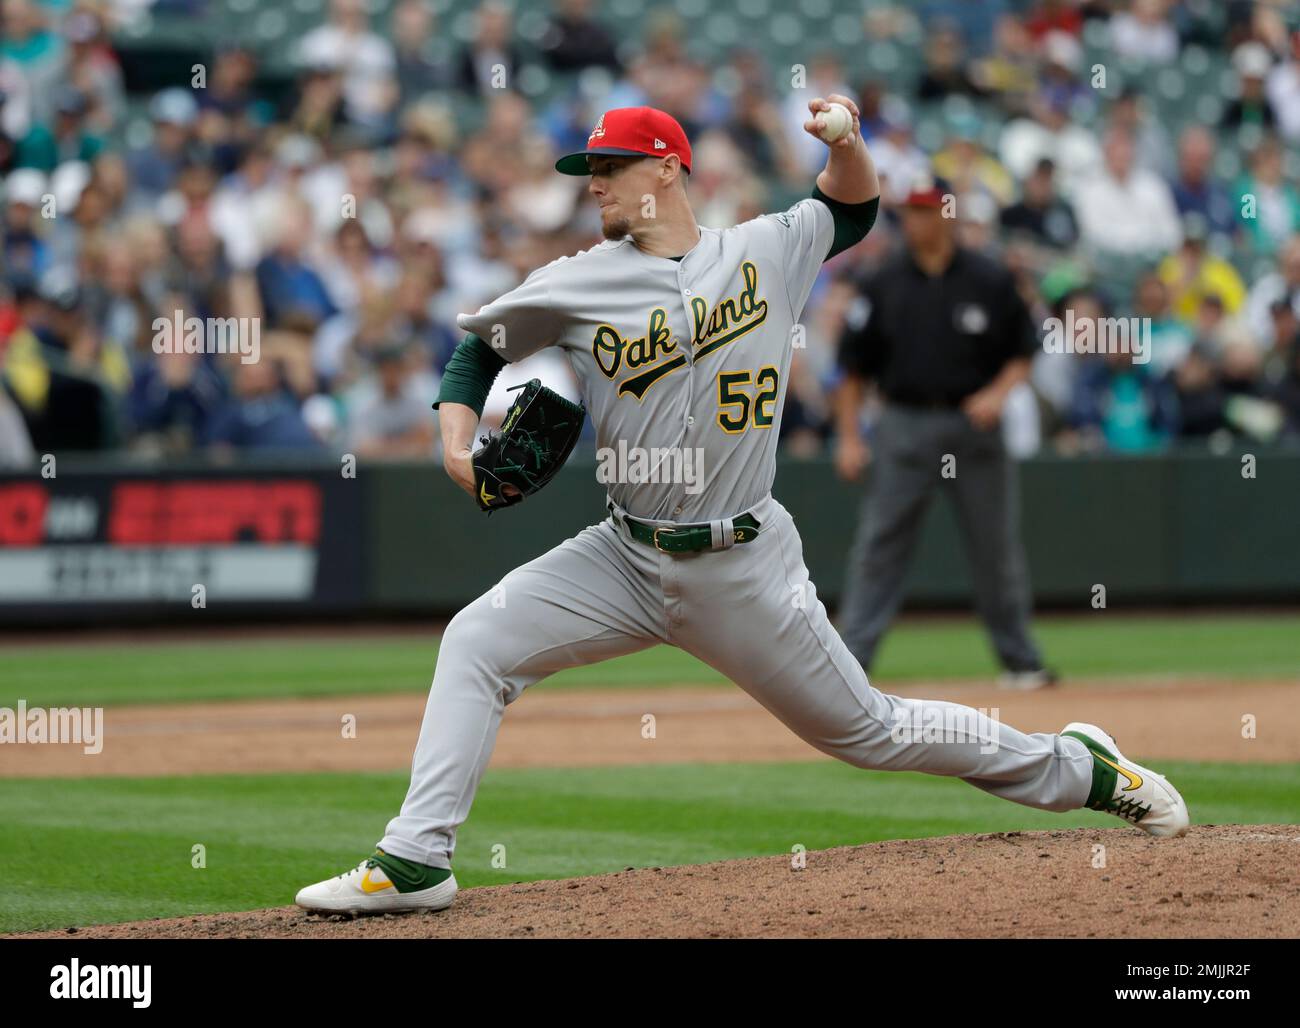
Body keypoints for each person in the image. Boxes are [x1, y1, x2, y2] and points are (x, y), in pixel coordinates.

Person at [294, 103, 1189, 916]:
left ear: (667, 169)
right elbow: (473, 356)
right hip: (623, 554)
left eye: (609, 165)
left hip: (743, 561)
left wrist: (845, 140)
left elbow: (852, 209)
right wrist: (456, 447)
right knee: (475, 641)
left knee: (869, 731)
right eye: (588, 170)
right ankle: (418, 859)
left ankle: (1084, 769)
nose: (594, 183)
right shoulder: (574, 280)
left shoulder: (765, 248)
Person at [832, 173, 1052, 689]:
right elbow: (851, 371)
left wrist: (998, 395)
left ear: (948, 214)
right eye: (910, 210)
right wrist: (848, 436)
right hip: (904, 423)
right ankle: (848, 669)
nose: (916, 219)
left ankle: (1021, 662)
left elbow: (1024, 352)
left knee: (995, 549)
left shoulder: (990, 279)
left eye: (927, 209)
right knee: (879, 546)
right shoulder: (881, 281)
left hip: (973, 428)